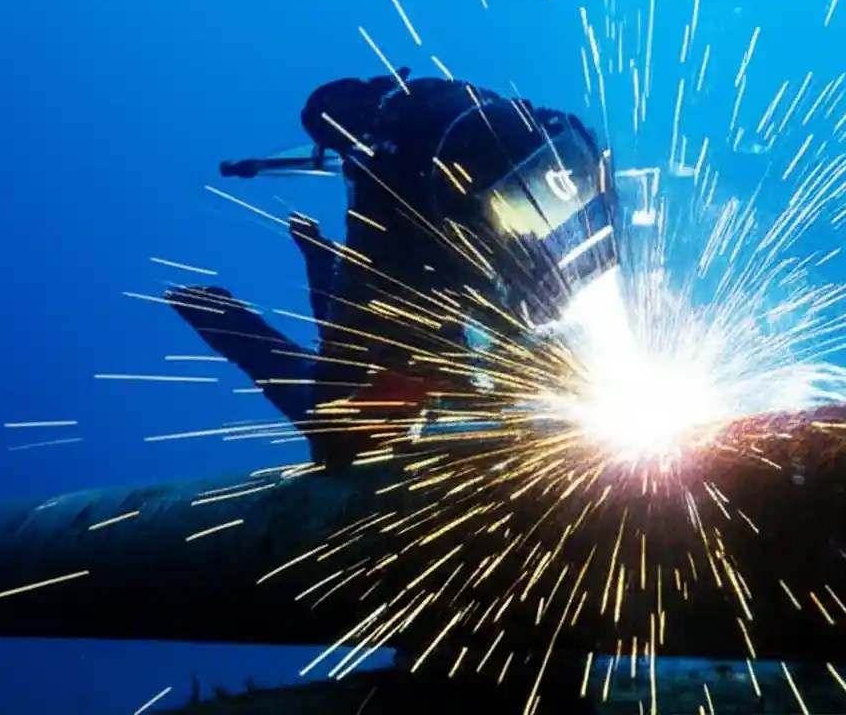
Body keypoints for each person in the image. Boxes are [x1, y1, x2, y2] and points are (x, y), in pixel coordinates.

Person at [167, 69, 621, 469]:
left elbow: (361, 291)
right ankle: (289, 275)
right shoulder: (455, 99)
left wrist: (336, 403)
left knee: (332, 420)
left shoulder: (384, 157)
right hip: (520, 240)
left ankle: (240, 305)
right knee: (456, 357)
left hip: (466, 259)